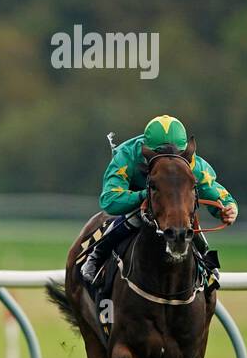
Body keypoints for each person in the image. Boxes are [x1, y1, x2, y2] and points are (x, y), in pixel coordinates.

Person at [81, 114, 237, 286]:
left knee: (190, 222)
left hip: (175, 208)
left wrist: (228, 209)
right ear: (146, 150)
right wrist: (145, 196)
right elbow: (109, 201)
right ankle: (96, 257)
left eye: (176, 155)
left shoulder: (193, 165)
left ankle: (206, 265)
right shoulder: (127, 155)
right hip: (141, 205)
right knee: (132, 218)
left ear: (184, 152)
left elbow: (218, 195)